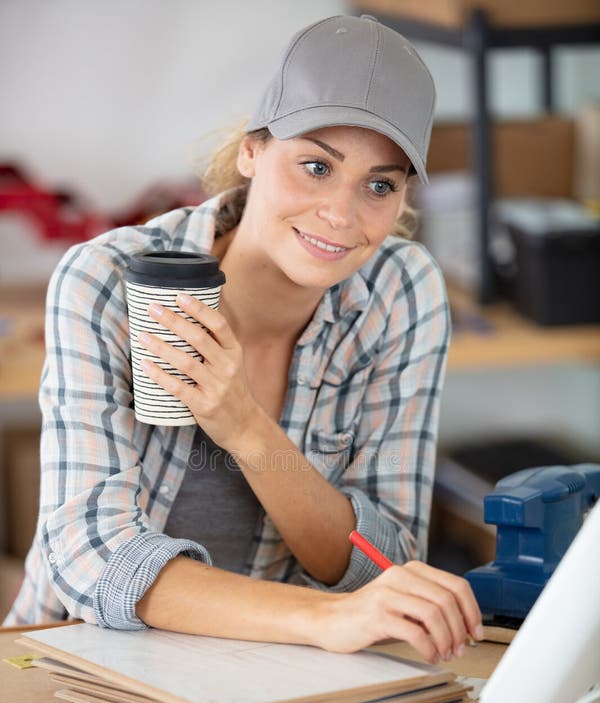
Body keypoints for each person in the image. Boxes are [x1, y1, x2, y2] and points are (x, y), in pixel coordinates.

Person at [5, 14, 483, 664]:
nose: (342, 215)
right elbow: (90, 558)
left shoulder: (401, 294)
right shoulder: (110, 281)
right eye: (316, 165)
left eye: (380, 184)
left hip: (271, 678)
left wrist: (246, 429)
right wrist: (327, 619)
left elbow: (382, 564)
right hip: (80, 668)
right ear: (252, 152)